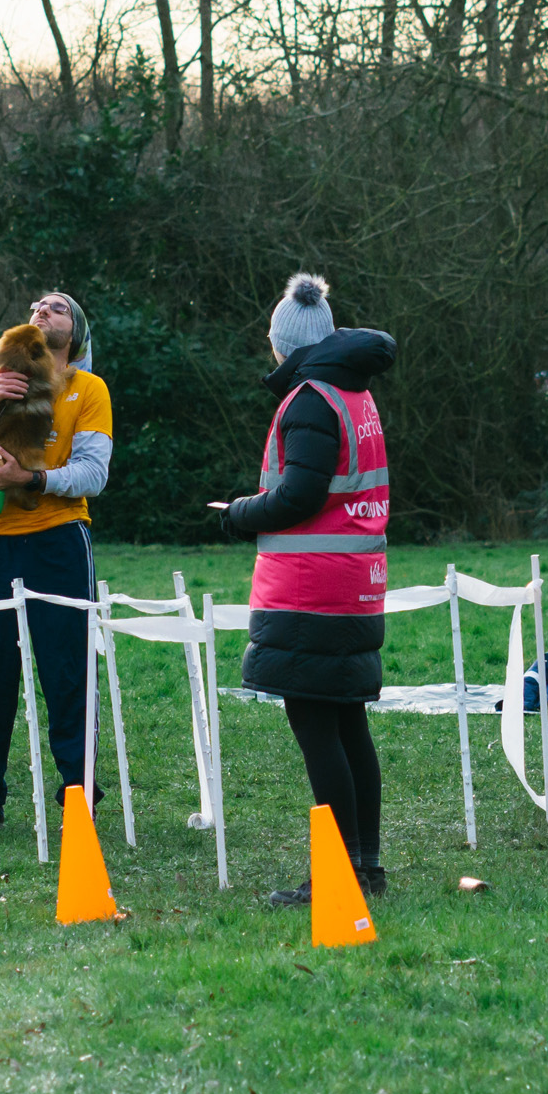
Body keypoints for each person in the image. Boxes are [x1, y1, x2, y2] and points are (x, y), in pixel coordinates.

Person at [223, 275, 395, 898]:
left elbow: (299, 495)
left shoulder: (308, 400)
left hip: (308, 590)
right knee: (348, 727)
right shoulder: (353, 392)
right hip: (355, 585)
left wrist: (237, 513)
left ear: (281, 344)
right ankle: (365, 867)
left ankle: (337, 875)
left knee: (318, 732)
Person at [0, 292, 113, 829]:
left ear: (76, 332)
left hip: (58, 541)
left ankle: (78, 798)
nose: (42, 310)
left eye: (58, 307)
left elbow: (93, 474)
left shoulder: (89, 388)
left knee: (67, 671)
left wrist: (32, 479)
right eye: (37, 305)